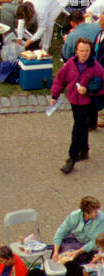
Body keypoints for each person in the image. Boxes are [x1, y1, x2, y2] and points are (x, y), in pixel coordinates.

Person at [50, 39, 104, 175]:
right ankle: (84, 150)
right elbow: (60, 79)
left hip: (87, 103)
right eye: (81, 50)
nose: (84, 53)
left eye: (87, 51)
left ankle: (72, 158)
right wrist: (54, 95)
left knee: (77, 129)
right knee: (82, 126)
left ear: (90, 51)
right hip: (74, 100)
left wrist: (88, 90)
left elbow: (102, 85)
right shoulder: (70, 64)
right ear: (76, 51)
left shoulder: (96, 67)